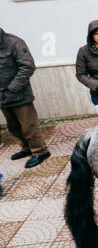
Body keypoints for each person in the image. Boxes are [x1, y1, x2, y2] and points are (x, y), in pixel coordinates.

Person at [0, 25, 49, 168]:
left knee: (29, 126)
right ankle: (26, 148)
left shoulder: (14, 42)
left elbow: (27, 66)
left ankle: (40, 151)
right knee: (13, 127)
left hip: (19, 95)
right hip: (2, 97)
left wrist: (12, 89)